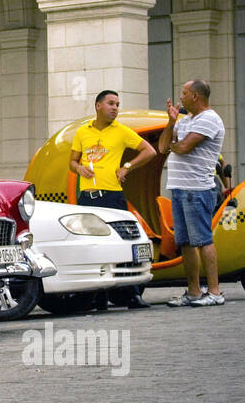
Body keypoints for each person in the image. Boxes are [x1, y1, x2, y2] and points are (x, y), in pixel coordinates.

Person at [68, 89, 157, 308]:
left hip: (112, 196)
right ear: (98, 106)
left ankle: (133, 294)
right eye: (111, 103)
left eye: (117, 104)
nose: (115, 108)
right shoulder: (83, 132)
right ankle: (98, 296)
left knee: (123, 242)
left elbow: (150, 151)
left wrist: (127, 167)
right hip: (88, 198)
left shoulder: (122, 131)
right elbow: (72, 162)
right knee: (93, 246)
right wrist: (80, 169)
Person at [159, 80, 226, 307]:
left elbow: (184, 147)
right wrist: (171, 122)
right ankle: (194, 291)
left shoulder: (209, 119)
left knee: (203, 240)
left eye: (184, 93)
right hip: (179, 187)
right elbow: (163, 146)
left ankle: (215, 292)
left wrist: (175, 145)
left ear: (196, 96)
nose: (181, 97)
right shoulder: (185, 120)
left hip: (197, 188)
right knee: (186, 242)